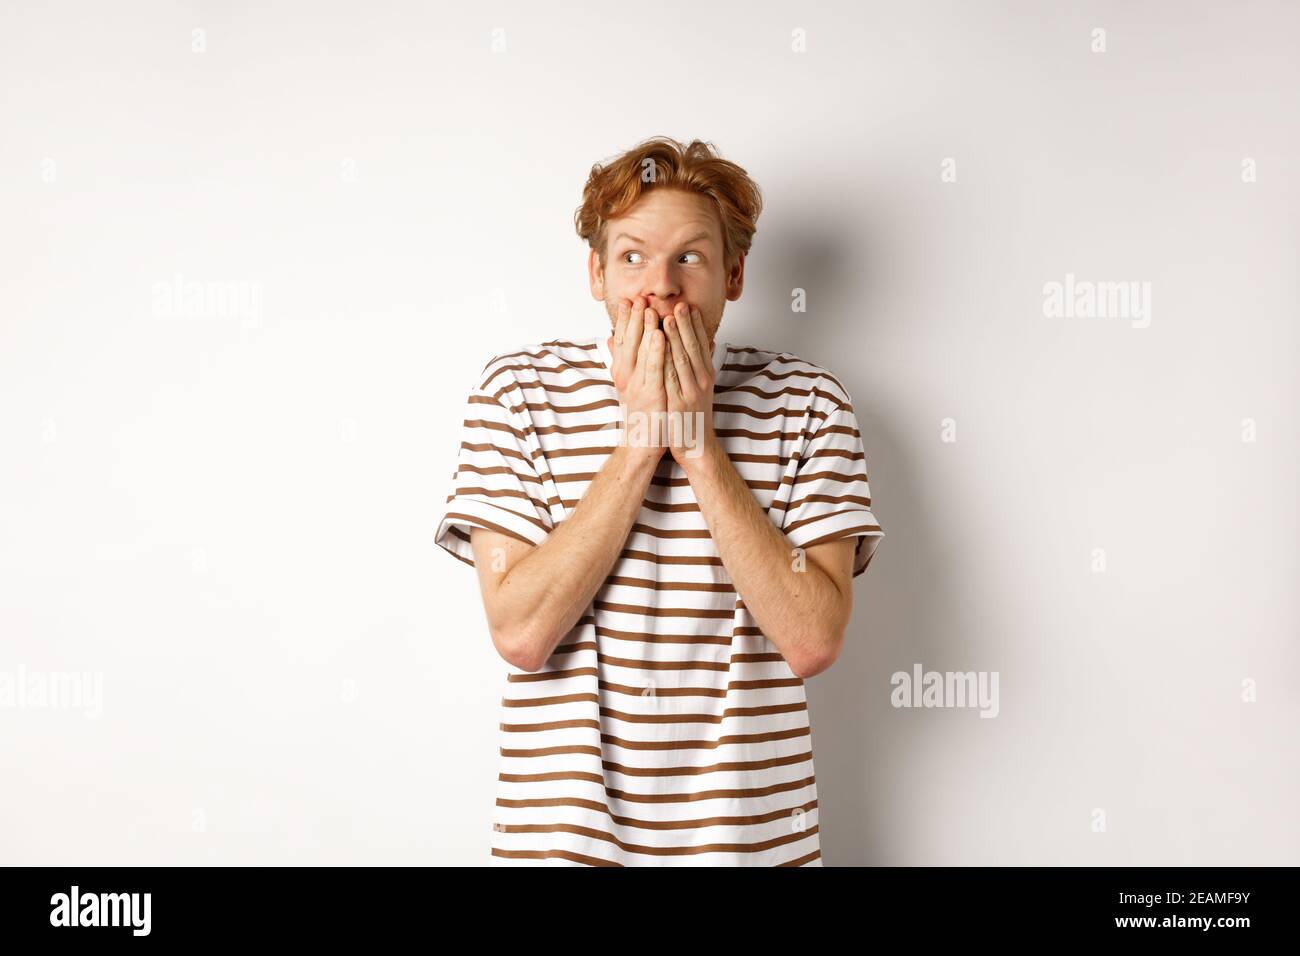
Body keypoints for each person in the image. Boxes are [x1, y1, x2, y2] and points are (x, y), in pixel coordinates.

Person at [434, 135, 885, 865]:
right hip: (563, 849)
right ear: (596, 273)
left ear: (734, 275)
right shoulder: (515, 394)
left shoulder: (810, 403)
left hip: (751, 848)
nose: (662, 286)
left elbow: (812, 640)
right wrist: (643, 437)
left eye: (691, 257)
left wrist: (698, 442)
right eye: (633, 256)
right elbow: (520, 634)